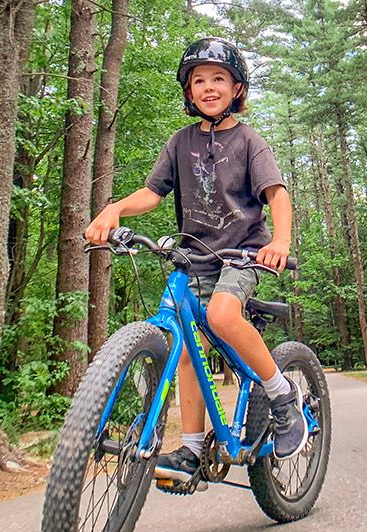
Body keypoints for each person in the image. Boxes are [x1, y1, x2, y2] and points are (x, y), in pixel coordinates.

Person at [84, 37, 306, 489]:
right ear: (188, 91)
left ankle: (282, 396)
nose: (208, 87)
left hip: (242, 252)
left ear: (236, 88)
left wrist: (280, 240)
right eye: (198, 80)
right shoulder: (180, 142)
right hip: (194, 255)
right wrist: (114, 209)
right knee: (185, 346)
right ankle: (190, 447)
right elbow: (153, 193)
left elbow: (276, 194)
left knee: (223, 315)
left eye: (218, 79)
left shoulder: (249, 141)